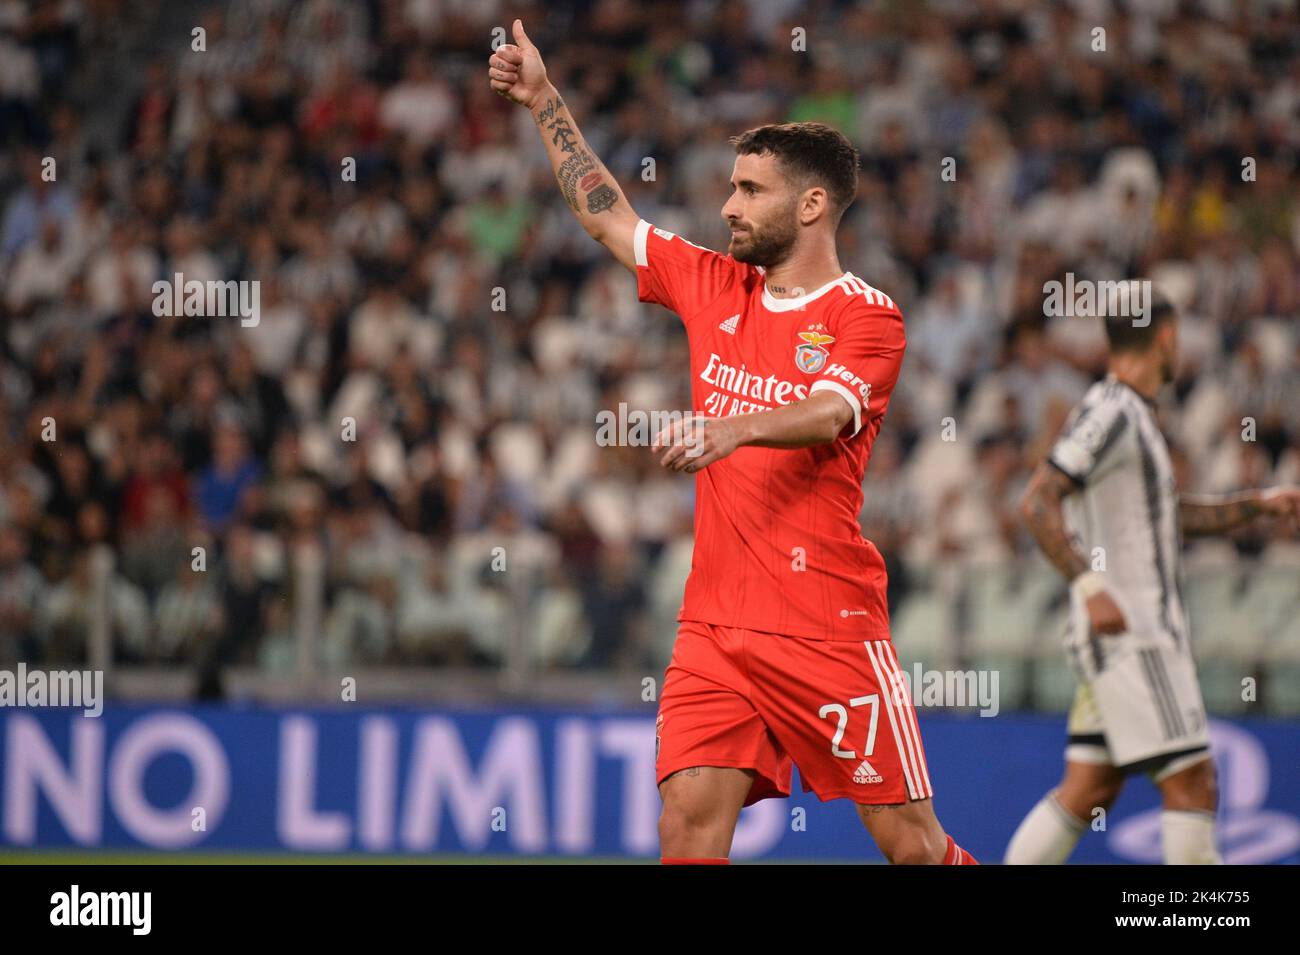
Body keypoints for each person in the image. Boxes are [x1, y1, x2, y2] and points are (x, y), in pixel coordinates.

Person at [489, 20, 977, 865]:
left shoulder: (868, 315)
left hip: (828, 626)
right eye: (731, 186)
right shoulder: (713, 284)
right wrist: (543, 99)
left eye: (751, 189)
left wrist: (732, 428)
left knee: (915, 848)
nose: (727, 205)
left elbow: (830, 412)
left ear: (812, 204)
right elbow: (609, 216)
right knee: (685, 827)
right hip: (714, 629)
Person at [1007, 291, 1300, 864]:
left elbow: (1170, 514)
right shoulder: (1113, 412)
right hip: (1135, 634)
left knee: (1089, 790)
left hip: (1119, 639)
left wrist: (1258, 505)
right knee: (1194, 782)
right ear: (1165, 338)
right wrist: (1090, 587)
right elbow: (1038, 501)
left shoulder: (1132, 415)